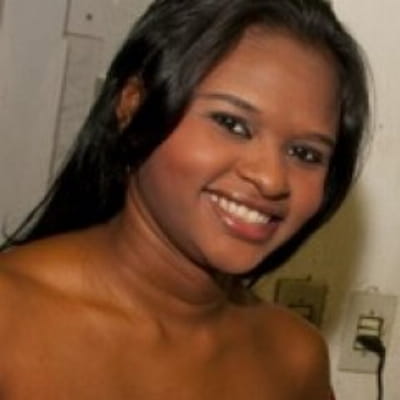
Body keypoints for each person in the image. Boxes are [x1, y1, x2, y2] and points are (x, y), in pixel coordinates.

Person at [0, 0, 369, 398]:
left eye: (305, 153)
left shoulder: (295, 358)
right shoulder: (11, 320)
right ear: (133, 106)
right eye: (232, 124)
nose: (271, 178)